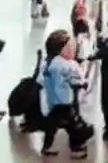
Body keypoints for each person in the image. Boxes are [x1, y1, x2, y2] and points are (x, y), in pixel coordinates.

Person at [38, 30, 92, 158]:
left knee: (52, 125)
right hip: (65, 101)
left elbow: (40, 81)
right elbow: (77, 80)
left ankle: (47, 147)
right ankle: (76, 149)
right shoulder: (65, 65)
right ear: (58, 48)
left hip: (53, 101)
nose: (71, 49)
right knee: (74, 126)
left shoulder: (47, 64)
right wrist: (83, 82)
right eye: (67, 47)